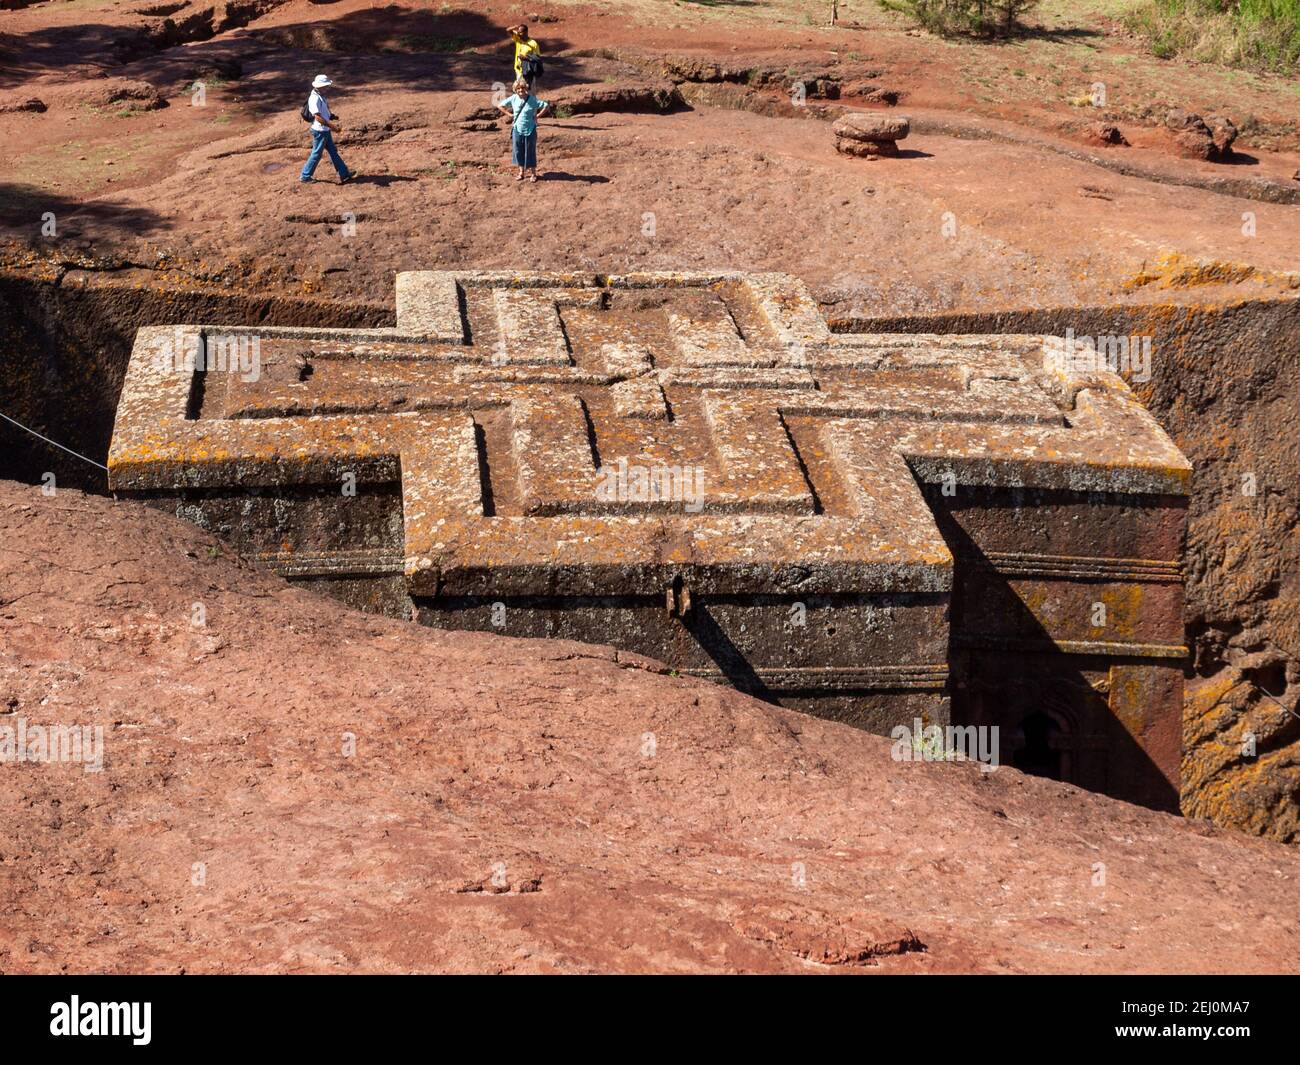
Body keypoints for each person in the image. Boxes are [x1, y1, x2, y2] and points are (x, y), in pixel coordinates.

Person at [299, 74, 355, 185]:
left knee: (333, 152)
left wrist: (331, 116)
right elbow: (318, 117)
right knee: (316, 154)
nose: (327, 87)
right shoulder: (314, 98)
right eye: (326, 85)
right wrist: (332, 126)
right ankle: (305, 176)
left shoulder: (319, 95)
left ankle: (344, 174)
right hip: (320, 131)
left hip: (324, 130)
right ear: (321, 86)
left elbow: (323, 113)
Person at [498, 77, 550, 183]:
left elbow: (545, 105)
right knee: (518, 151)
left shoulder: (532, 99)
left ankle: (533, 174)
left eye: (522, 89)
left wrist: (538, 116)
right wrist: (509, 114)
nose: (520, 91)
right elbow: (500, 105)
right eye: (518, 89)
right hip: (517, 129)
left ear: (525, 88)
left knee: (530, 151)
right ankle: (521, 173)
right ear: (515, 90)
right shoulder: (513, 98)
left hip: (530, 129)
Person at [509, 24, 542, 91]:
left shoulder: (533, 43)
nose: (519, 34)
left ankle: (532, 101)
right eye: (518, 32)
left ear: (526, 32)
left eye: (520, 32)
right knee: (519, 90)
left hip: (528, 72)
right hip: (518, 70)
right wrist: (515, 27)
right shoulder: (518, 39)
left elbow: (538, 58)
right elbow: (508, 30)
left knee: (529, 91)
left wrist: (526, 58)